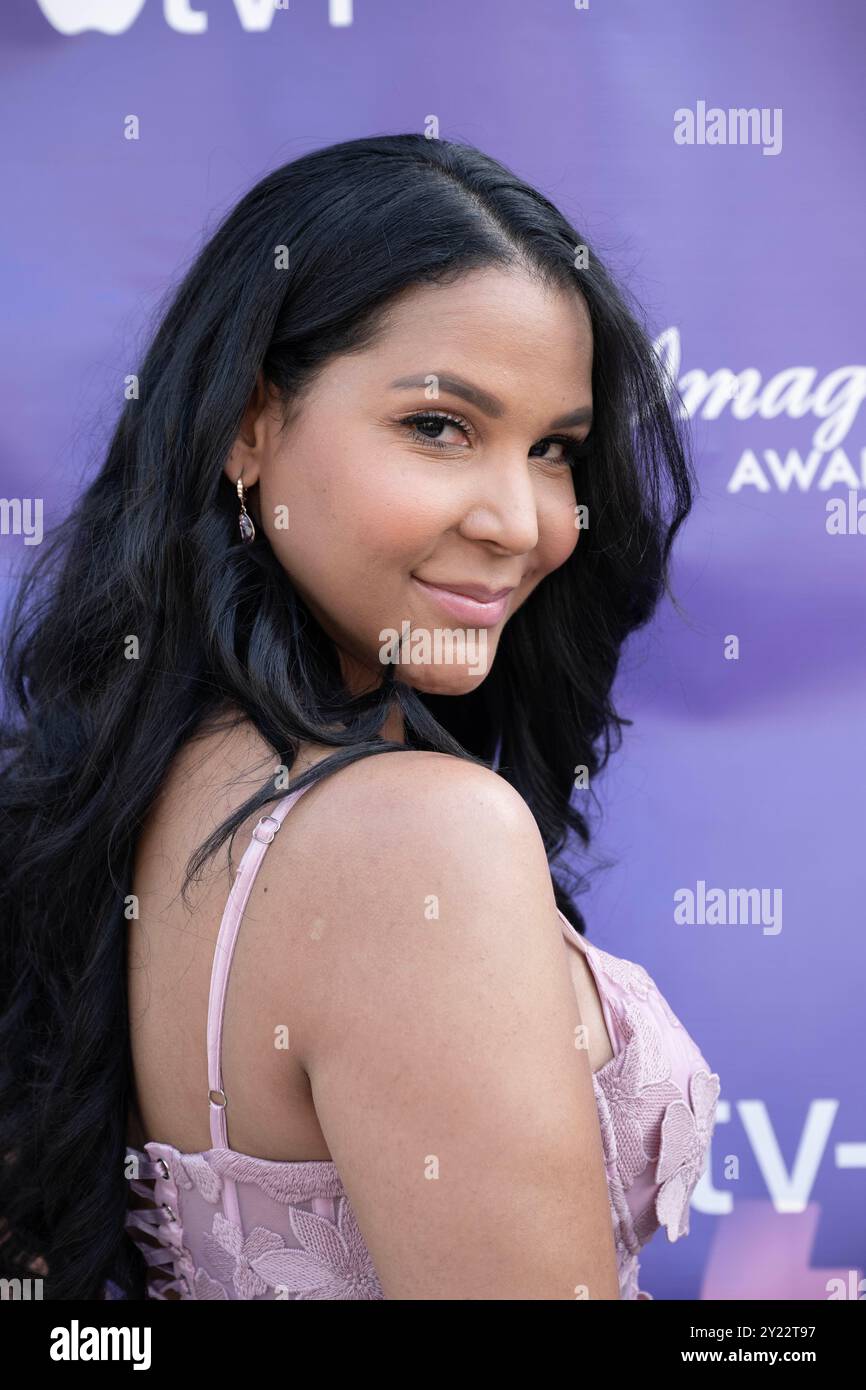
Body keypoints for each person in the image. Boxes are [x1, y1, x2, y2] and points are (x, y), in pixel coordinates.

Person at [0, 133, 718, 1301]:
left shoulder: (143, 787)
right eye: (438, 427)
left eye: (553, 450)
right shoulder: (422, 841)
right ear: (248, 423)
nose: (519, 520)